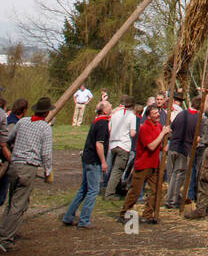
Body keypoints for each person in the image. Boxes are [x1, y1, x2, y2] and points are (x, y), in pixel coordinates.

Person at [0, 96, 53, 252]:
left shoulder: (22, 122)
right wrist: (48, 171)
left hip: (14, 165)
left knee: (11, 201)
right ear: (46, 113)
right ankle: (5, 240)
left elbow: (9, 138)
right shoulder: (45, 128)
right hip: (28, 168)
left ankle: (3, 232)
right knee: (19, 204)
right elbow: (46, 153)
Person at [119, 103, 171, 223]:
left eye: (157, 112)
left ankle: (147, 214)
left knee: (156, 190)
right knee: (135, 192)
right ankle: (124, 213)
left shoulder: (158, 126)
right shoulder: (144, 128)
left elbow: (159, 144)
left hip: (154, 164)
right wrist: (162, 134)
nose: (157, 115)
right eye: (154, 113)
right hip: (142, 164)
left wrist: (164, 146)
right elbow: (151, 146)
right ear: (148, 116)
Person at [63, 100, 111, 228]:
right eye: (109, 106)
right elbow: (99, 144)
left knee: (83, 189)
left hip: (87, 158)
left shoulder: (97, 120)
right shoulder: (102, 123)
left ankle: (68, 216)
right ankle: (84, 220)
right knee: (93, 190)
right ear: (105, 110)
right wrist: (103, 162)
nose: (111, 107)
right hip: (93, 160)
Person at [164, 94, 200, 208]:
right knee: (178, 175)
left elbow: (171, 128)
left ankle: (172, 198)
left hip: (172, 147)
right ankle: (171, 201)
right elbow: (197, 138)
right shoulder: (198, 119)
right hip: (184, 150)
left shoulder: (181, 113)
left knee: (171, 174)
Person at [102, 96, 136, 198]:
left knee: (113, 168)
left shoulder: (115, 114)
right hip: (123, 145)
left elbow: (109, 128)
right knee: (118, 170)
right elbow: (132, 133)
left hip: (112, 144)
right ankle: (109, 193)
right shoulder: (131, 116)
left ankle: (115, 188)